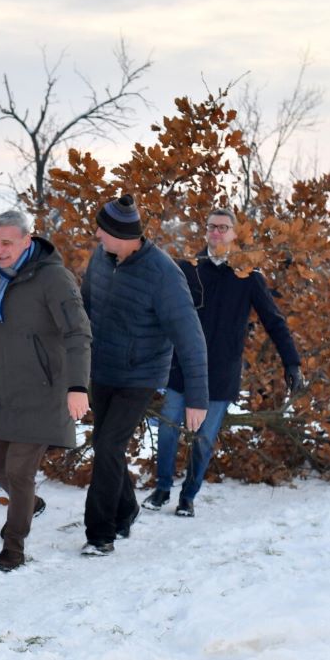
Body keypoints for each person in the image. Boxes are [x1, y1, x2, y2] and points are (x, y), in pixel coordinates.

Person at [143, 208, 303, 516]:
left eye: (223, 228)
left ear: (234, 234)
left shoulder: (248, 276)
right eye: (211, 227)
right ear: (205, 231)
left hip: (220, 374)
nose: (216, 232)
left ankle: (188, 496)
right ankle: (162, 488)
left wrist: (291, 363)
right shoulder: (188, 269)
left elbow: (275, 322)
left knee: (203, 437)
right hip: (181, 369)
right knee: (167, 428)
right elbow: (158, 313)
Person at [81, 194, 208, 555]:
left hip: (139, 375)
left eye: (102, 230)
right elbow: (85, 306)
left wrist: (197, 398)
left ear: (122, 234)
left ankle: (100, 534)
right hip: (102, 369)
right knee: (106, 446)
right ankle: (126, 509)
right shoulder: (101, 258)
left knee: (107, 446)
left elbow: (190, 337)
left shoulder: (163, 274)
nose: (97, 235)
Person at [0, 210, 91, 571]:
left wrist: (77, 386)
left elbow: (78, 333)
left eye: (7, 243)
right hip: (6, 390)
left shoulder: (54, 279)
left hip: (44, 391)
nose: (0, 250)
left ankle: (13, 548)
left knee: (18, 472)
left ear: (27, 241)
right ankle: (30, 504)